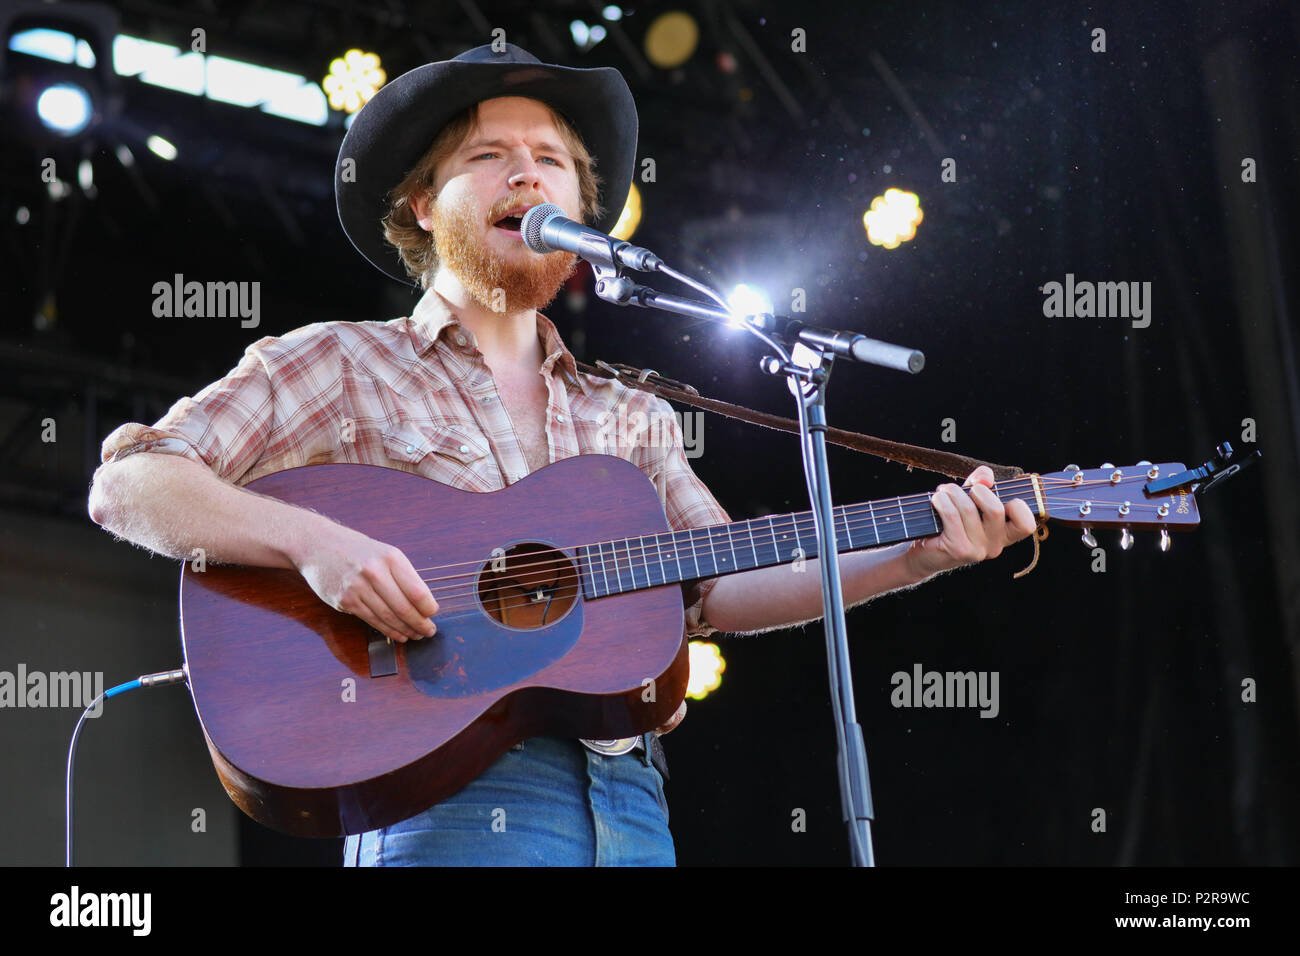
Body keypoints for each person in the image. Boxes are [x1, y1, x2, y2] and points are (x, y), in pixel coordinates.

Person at [87, 42, 1036, 866]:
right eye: (489, 156)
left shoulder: (631, 414)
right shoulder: (341, 363)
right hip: (440, 807)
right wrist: (314, 547)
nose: (526, 176)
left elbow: (719, 587)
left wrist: (925, 552)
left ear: (583, 212)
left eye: (550, 161)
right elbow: (130, 482)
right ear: (421, 204)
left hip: (634, 805)